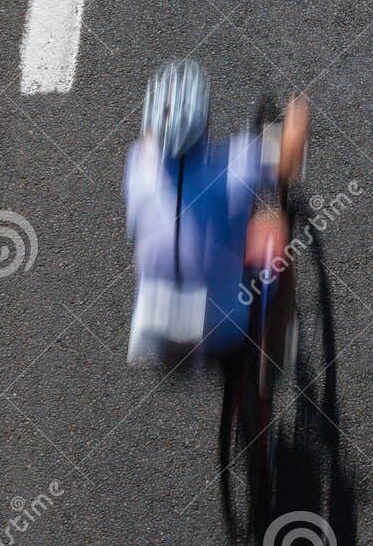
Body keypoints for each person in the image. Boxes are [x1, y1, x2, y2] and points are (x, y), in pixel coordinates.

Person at [123, 59, 308, 368]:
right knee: (276, 228)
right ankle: (276, 341)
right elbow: (287, 160)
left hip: (153, 335)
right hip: (221, 331)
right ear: (205, 122)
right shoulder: (236, 164)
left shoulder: (137, 166)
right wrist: (296, 121)